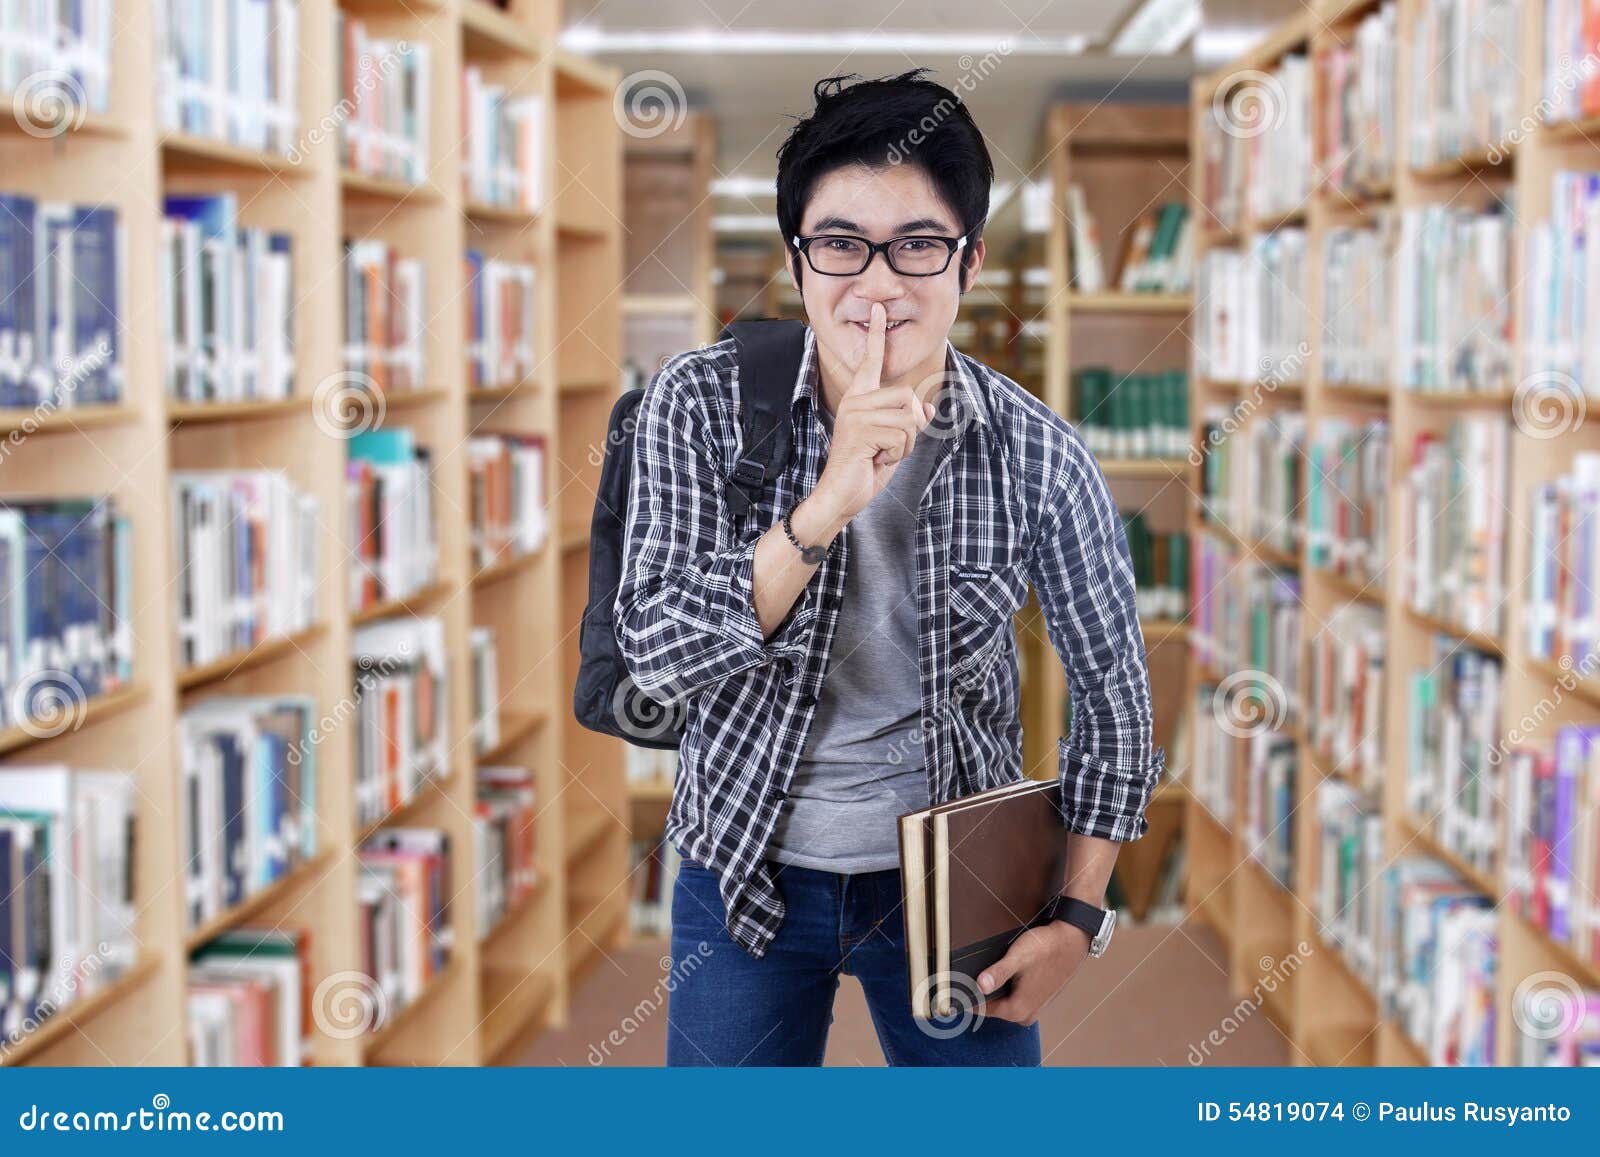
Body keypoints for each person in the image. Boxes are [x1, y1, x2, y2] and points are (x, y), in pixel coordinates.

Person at [615, 69, 1164, 1066]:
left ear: (970, 262)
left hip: (960, 882)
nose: (877, 283)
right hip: (744, 859)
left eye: (917, 244)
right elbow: (654, 652)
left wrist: (1078, 915)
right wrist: (824, 502)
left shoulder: (1035, 451)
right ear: (797, 262)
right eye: (839, 245)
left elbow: (1116, 699)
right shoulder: (698, 402)